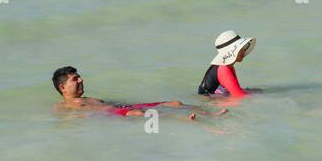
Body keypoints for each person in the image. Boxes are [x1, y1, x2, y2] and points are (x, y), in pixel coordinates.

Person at [51, 66, 223, 119]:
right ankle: (183, 120)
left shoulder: (90, 98)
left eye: (80, 77)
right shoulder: (62, 106)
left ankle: (208, 113)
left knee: (175, 103)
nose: (81, 80)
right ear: (63, 88)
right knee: (139, 114)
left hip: (120, 107)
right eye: (75, 79)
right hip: (115, 113)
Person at [196, 30, 256, 99]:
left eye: (244, 47)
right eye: (240, 49)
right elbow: (239, 96)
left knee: (256, 91)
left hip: (215, 98)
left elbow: (237, 91)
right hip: (209, 103)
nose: (244, 51)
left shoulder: (229, 66)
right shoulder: (223, 69)